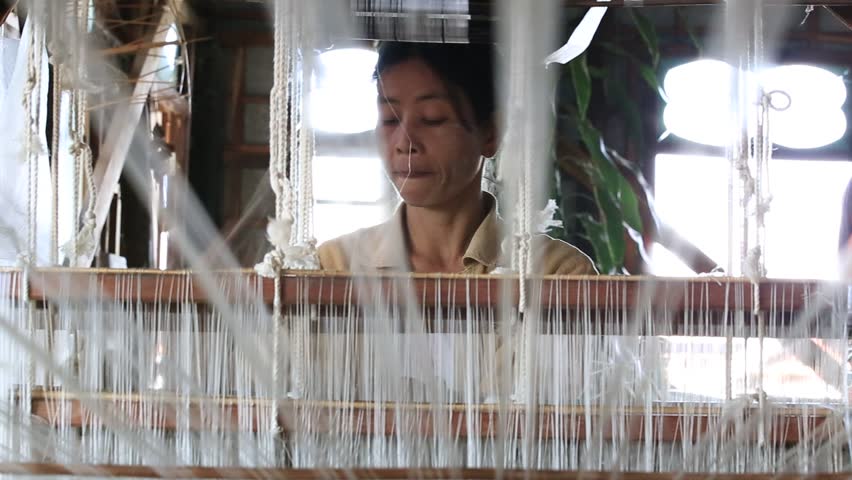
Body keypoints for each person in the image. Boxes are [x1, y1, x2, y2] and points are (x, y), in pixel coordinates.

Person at [318, 42, 596, 275]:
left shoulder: (553, 271)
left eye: (432, 119)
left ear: (491, 134)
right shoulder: (336, 266)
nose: (404, 143)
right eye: (390, 120)